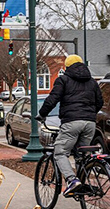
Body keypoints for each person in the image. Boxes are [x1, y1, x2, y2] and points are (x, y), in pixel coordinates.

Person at [36, 55, 104, 197]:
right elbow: (100, 102)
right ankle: (81, 185)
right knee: (82, 155)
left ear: (67, 67)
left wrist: (42, 114)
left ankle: (72, 180)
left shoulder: (63, 80)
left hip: (71, 122)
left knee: (60, 152)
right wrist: (90, 114)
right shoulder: (92, 82)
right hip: (90, 123)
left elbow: (52, 99)